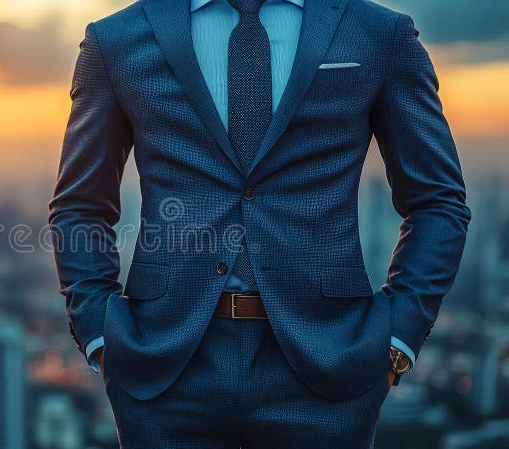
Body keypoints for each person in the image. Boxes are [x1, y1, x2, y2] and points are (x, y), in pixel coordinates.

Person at [48, 0, 470, 447]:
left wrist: (395, 341)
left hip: (329, 366)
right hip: (164, 371)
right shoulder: (115, 40)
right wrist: (100, 334)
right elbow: (80, 206)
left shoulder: (380, 33)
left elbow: (438, 201)